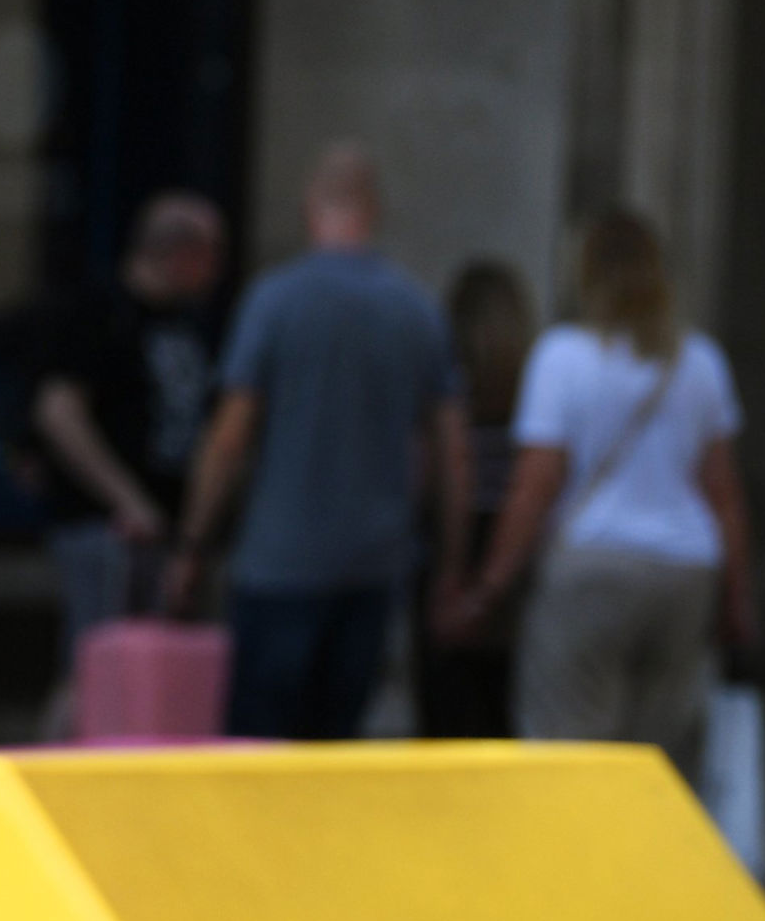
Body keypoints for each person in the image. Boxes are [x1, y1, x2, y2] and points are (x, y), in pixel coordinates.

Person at [164, 143, 465, 740]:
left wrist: (192, 544)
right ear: (373, 210)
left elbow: (229, 438)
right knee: (337, 751)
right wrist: (451, 566)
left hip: (280, 565)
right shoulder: (416, 309)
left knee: (260, 750)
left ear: (310, 210)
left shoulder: (274, 301)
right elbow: (451, 454)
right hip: (373, 565)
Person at [446, 208, 753, 763]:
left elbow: (534, 487)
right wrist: (736, 595)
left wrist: (490, 585)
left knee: (568, 749)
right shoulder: (700, 362)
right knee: (656, 759)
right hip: (684, 571)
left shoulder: (563, 357)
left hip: (593, 565)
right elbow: (724, 496)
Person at [26, 191, 227, 728]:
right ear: (180, 253)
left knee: (158, 673)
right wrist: (127, 500)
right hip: (106, 527)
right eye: (209, 255)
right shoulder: (98, 313)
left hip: (167, 527)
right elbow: (58, 412)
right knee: (91, 664)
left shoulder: (190, 325)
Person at [419, 259, 541, 739]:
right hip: (511, 546)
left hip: (454, 536)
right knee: (501, 705)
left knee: (446, 706)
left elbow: (441, 474)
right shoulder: (533, 387)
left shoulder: (447, 389)